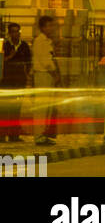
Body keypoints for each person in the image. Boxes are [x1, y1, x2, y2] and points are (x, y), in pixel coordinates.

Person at [31, 15, 60, 146]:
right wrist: (54, 72)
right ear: (42, 27)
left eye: (51, 25)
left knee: (48, 106)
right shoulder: (39, 41)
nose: (50, 28)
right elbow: (45, 61)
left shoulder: (48, 41)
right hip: (43, 74)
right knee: (41, 107)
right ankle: (38, 135)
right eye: (48, 25)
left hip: (48, 75)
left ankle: (44, 133)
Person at [1, 23, 31, 143]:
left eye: (18, 31)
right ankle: (2, 135)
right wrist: (10, 56)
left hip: (19, 81)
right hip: (6, 81)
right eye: (13, 31)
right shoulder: (5, 45)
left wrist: (27, 75)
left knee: (16, 109)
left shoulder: (24, 46)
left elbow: (28, 61)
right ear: (9, 33)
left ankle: (14, 135)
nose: (16, 34)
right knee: (4, 109)